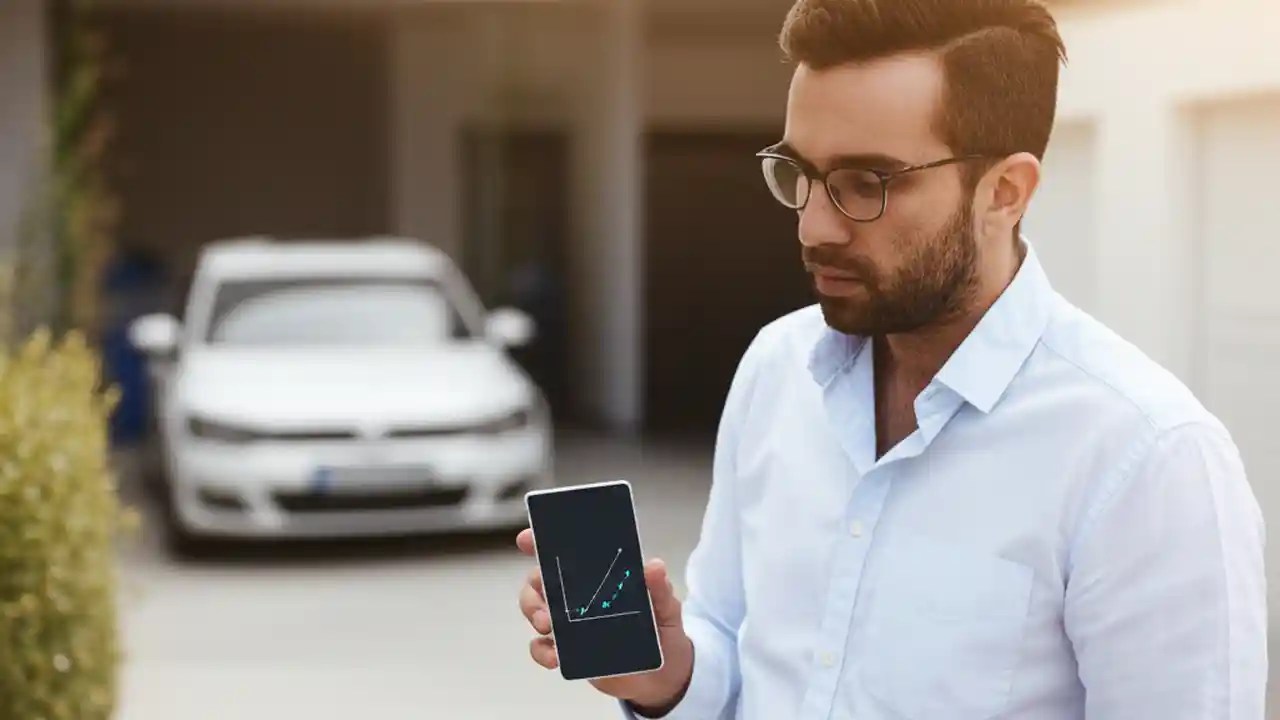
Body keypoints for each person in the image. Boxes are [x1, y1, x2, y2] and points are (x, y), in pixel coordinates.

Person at [517, 0, 1268, 717]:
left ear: (1005, 192)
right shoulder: (778, 369)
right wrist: (668, 671)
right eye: (801, 174)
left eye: (864, 184)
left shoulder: (1148, 458)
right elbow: (735, 645)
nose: (813, 227)